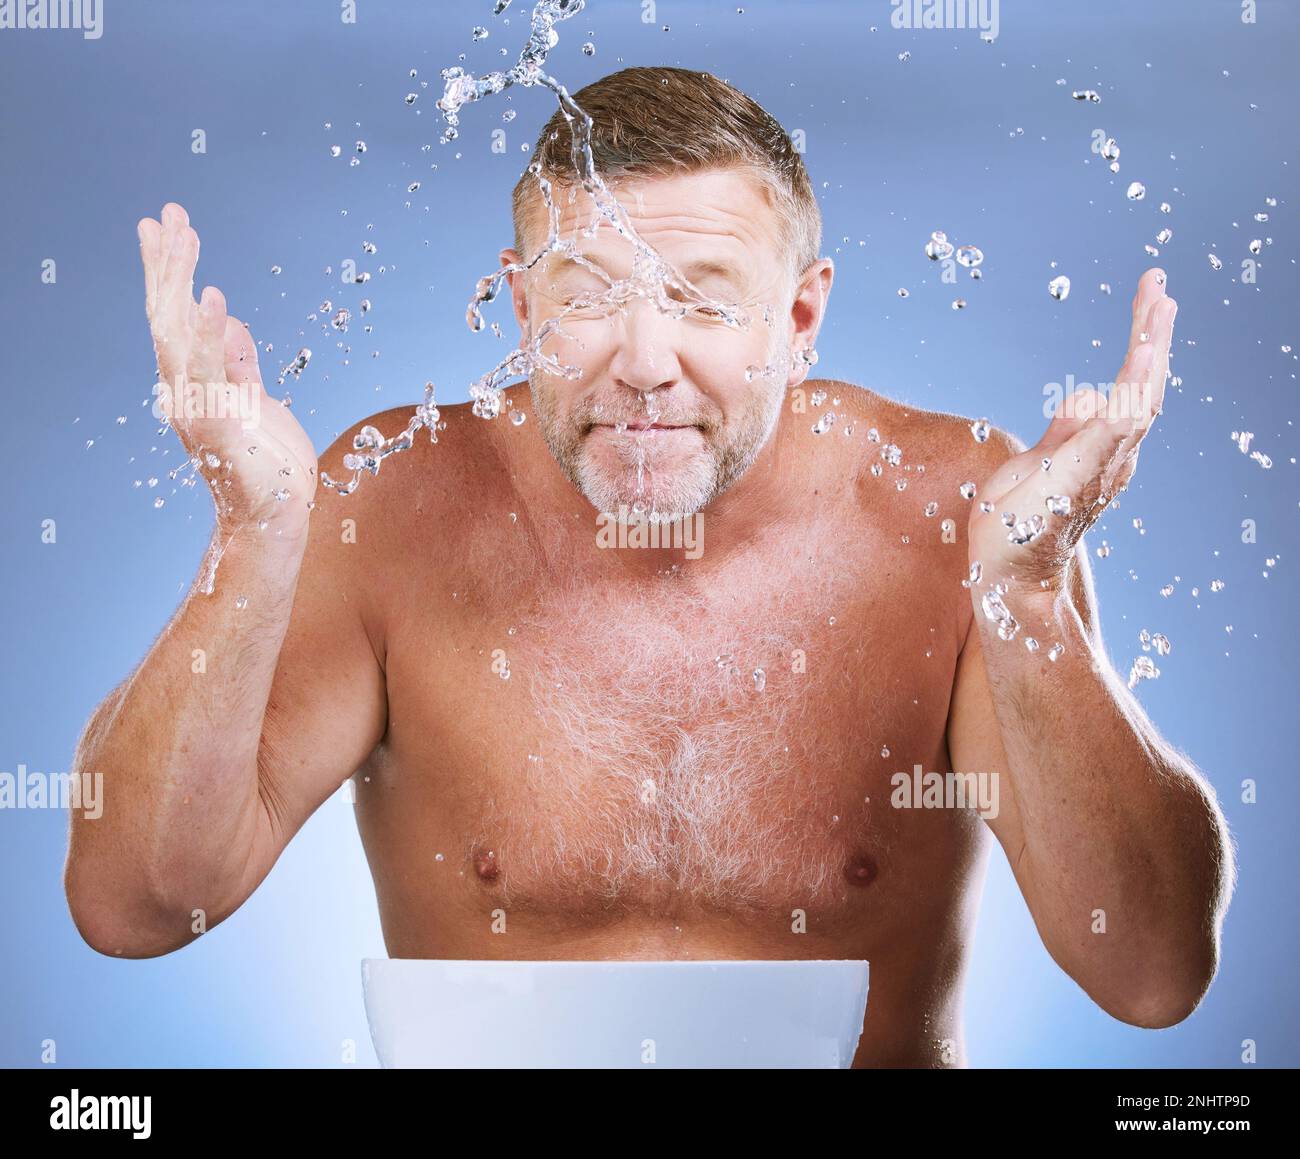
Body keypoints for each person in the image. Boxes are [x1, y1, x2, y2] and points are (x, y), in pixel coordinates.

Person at [66, 66, 1234, 1067]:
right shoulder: (391, 502)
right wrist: (251, 537)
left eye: (700, 301)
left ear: (801, 315)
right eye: (585, 296)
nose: (643, 362)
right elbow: (136, 903)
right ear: (520, 307)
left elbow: (1148, 972)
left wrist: (1030, 604)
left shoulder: (956, 516)